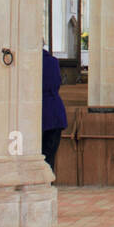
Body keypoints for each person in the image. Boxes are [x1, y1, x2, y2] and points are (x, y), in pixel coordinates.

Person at [42, 46, 67, 176]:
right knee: (49, 158)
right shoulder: (52, 61)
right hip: (55, 114)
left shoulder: (31, 62)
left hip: (41, 114)